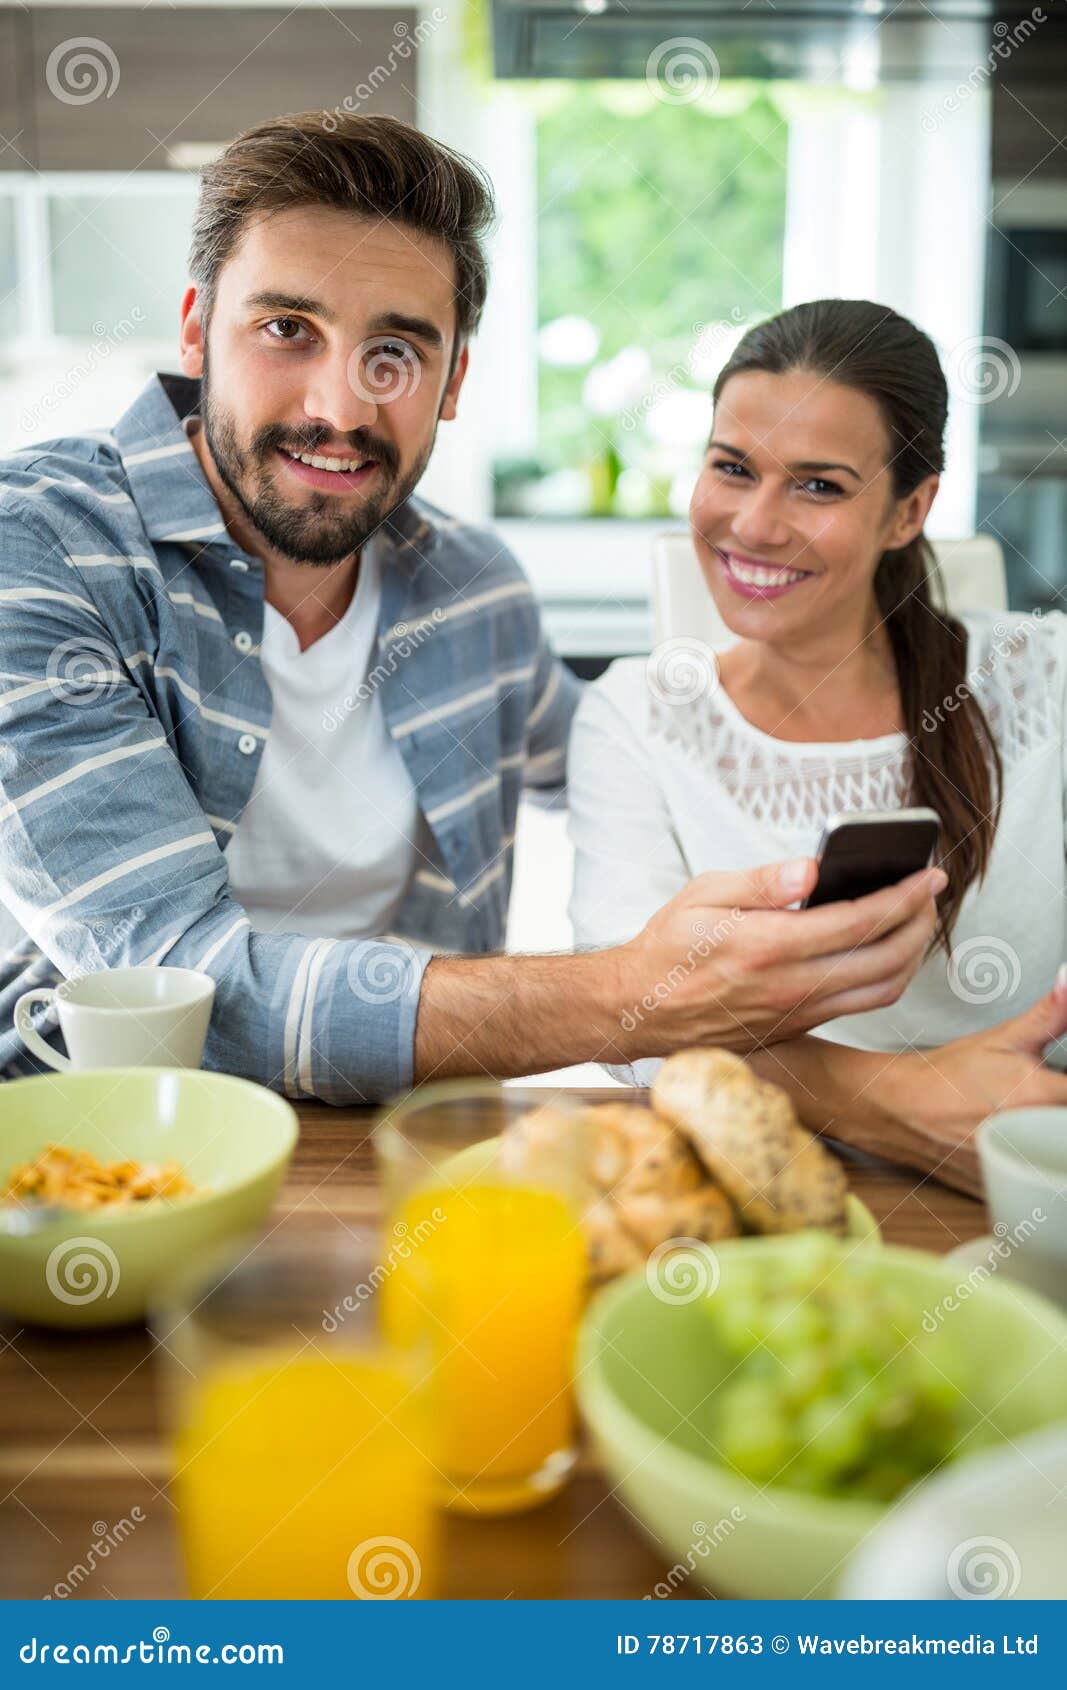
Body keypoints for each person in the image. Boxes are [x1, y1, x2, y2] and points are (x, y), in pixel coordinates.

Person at [0, 121, 940, 1102]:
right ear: (195, 330)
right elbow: (177, 986)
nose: (341, 407)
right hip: (102, 1150)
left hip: (423, 1145)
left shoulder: (470, 586)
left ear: (452, 381)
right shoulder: (42, 546)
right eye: (287, 330)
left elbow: (639, 763)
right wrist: (631, 993)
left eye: (395, 351)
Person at [569, 297, 1067, 1194]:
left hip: (1027, 1180)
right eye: (732, 467)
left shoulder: (1046, 679)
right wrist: (895, 1101)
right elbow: (630, 1024)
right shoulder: (635, 715)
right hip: (755, 1187)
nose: (755, 525)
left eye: (819, 485)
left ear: (908, 511)